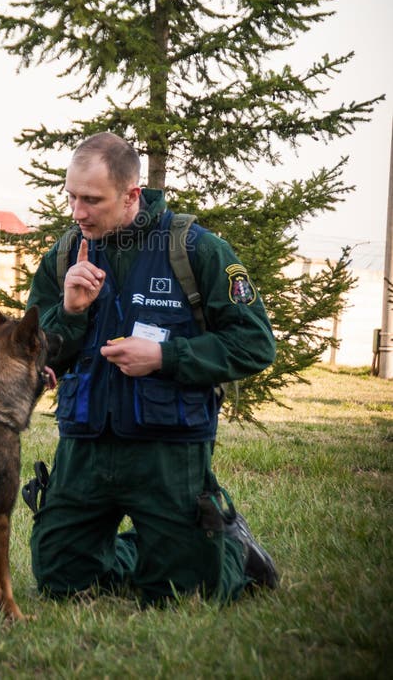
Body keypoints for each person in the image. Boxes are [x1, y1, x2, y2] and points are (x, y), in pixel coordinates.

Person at [23, 131, 278, 606]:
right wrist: (70, 311)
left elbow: (255, 343)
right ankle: (158, 549)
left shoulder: (196, 250)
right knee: (60, 580)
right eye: (72, 197)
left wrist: (165, 357)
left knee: (180, 596)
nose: (78, 212)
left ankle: (232, 552)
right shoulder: (63, 256)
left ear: (131, 196)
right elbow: (36, 355)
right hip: (86, 445)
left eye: (92, 200)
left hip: (167, 450)